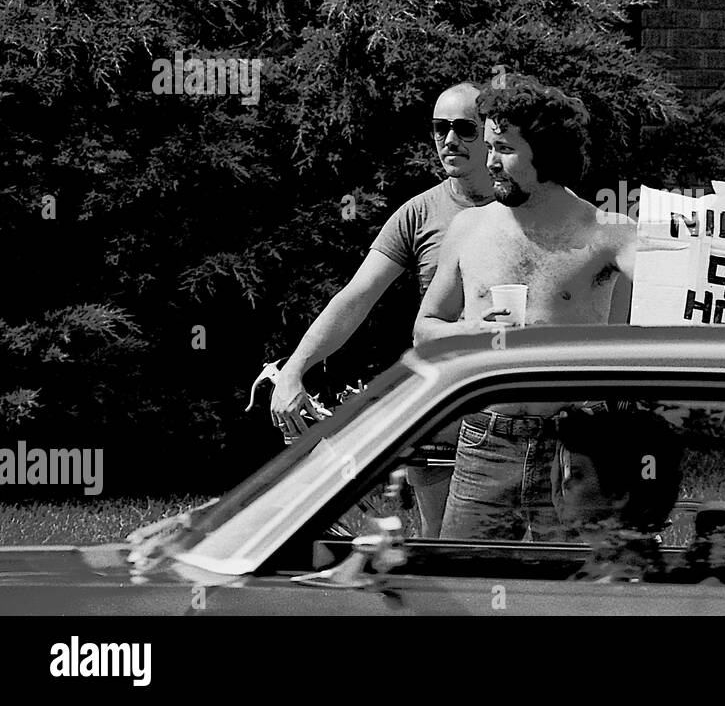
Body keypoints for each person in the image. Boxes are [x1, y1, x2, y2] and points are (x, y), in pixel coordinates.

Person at [413, 74, 639, 540]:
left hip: (577, 447)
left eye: (505, 148)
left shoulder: (609, 234)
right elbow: (425, 330)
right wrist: (472, 329)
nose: (490, 161)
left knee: (575, 600)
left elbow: (681, 291)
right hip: (485, 443)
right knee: (466, 591)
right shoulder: (469, 229)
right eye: (490, 145)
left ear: (547, 152)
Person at [270, 81, 494, 535]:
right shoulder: (420, 212)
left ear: (491, 132)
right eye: (439, 128)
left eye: (464, 128)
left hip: (511, 402)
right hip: (444, 403)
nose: (449, 140)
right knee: (443, 545)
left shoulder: (527, 206)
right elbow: (355, 298)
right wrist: (294, 369)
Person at [551, 405, 683, 582]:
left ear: (618, 495)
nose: (566, 483)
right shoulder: (609, 565)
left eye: (578, 474)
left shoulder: (617, 584)